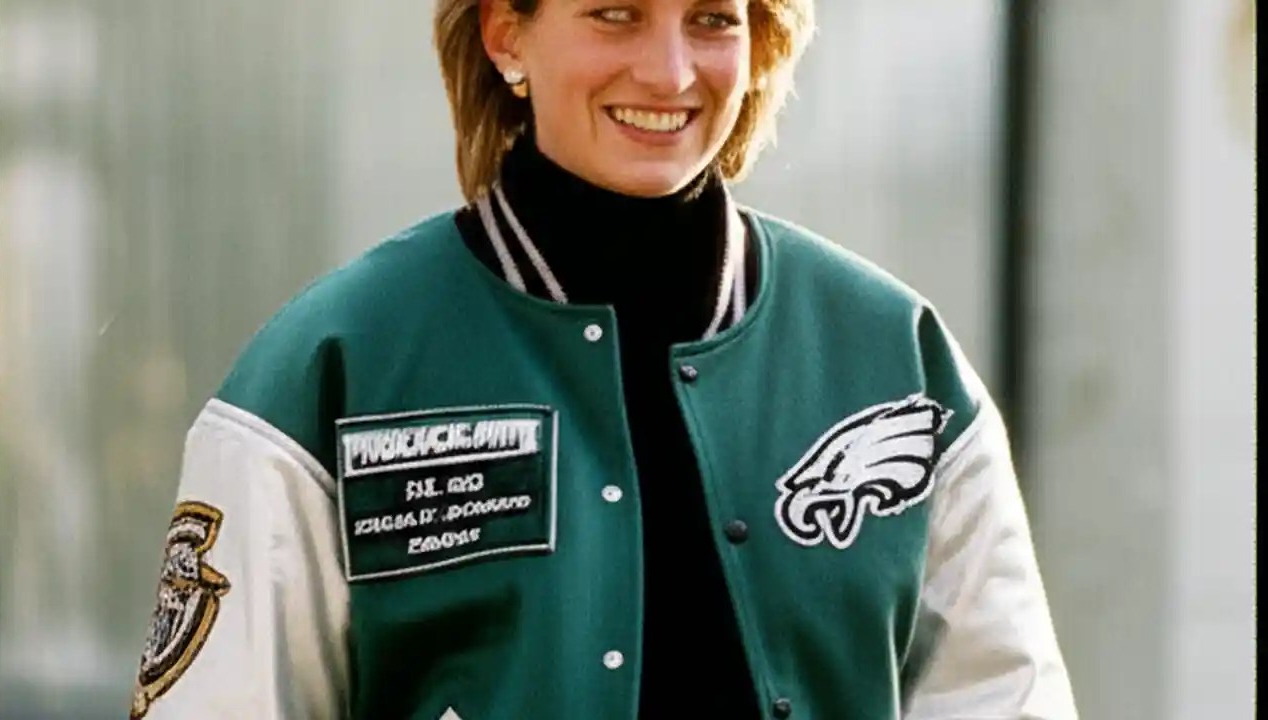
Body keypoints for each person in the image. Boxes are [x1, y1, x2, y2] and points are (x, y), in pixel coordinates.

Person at [128, 0, 1078, 718]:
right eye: (616, 14)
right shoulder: (326, 373)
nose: (669, 72)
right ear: (508, 35)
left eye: (711, 18)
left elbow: (1003, 695)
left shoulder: (895, 363)